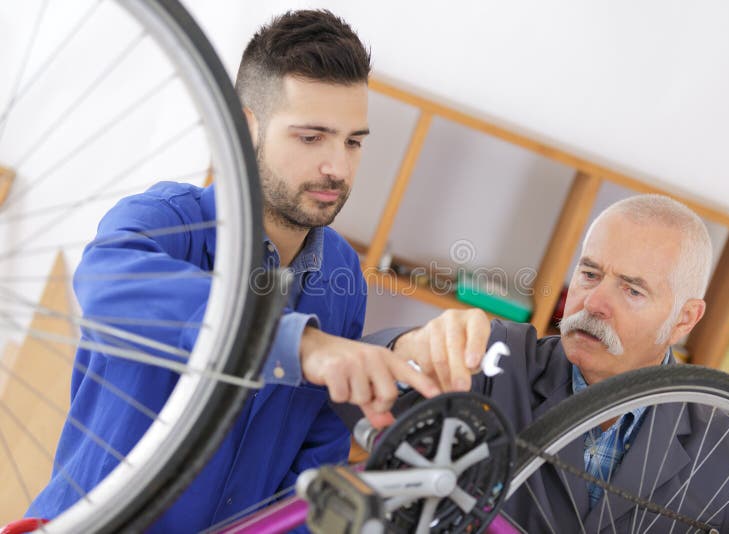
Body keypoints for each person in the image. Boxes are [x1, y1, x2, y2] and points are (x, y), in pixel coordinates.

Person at [27, 10, 438, 533]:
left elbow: (313, 469)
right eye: (312, 138)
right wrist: (299, 345)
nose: (339, 167)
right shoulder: (165, 220)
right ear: (245, 128)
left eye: (353, 141)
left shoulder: (343, 276)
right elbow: (109, 284)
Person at [370, 194, 729, 531]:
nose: (594, 303)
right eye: (589, 274)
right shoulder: (497, 357)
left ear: (685, 320)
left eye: (632, 290)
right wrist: (410, 346)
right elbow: (356, 390)